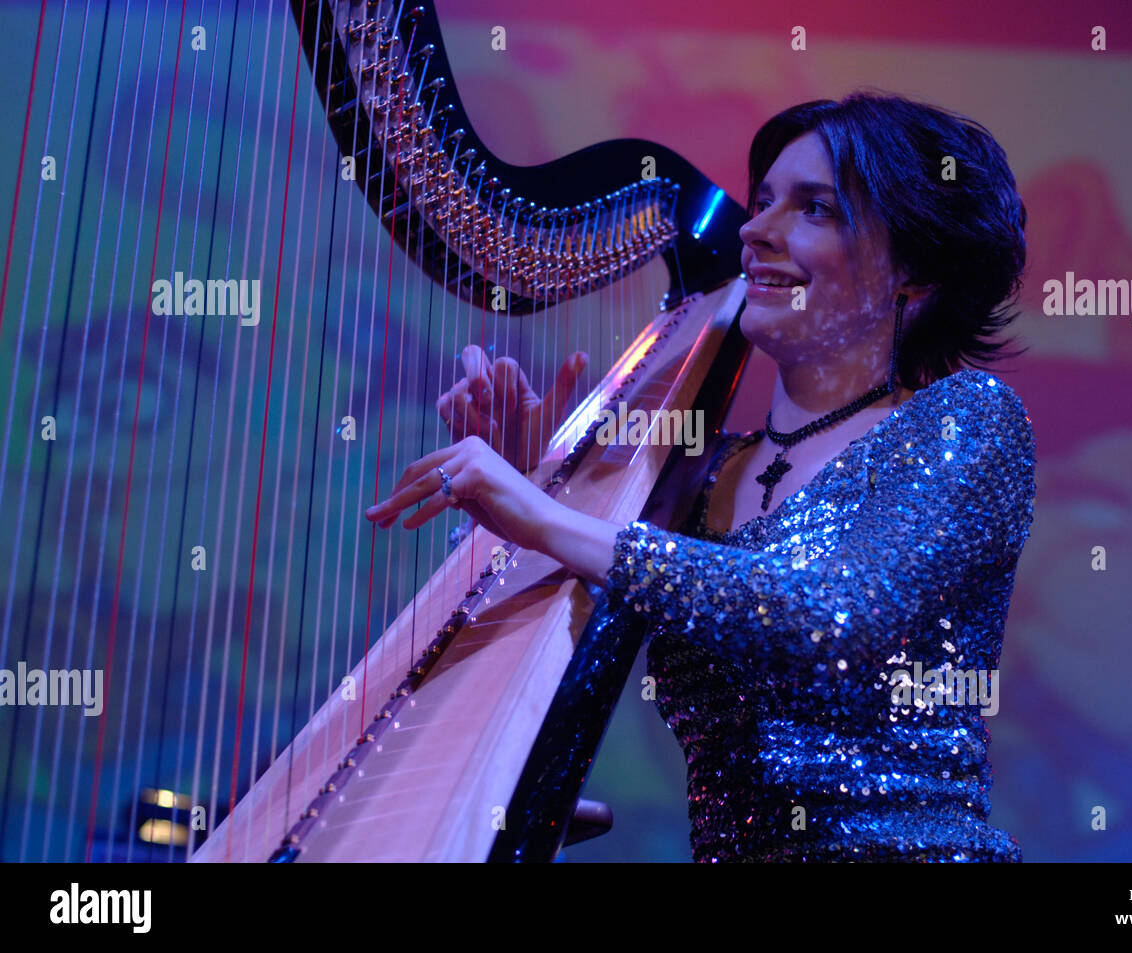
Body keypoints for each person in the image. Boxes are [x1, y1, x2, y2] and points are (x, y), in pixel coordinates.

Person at [364, 89, 1035, 862]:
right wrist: (526, 487)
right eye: (762, 202)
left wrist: (542, 516)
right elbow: (552, 686)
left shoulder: (965, 419)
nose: (755, 230)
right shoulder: (693, 475)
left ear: (914, 271)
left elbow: (834, 622)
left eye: (814, 209)